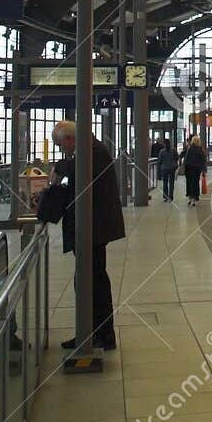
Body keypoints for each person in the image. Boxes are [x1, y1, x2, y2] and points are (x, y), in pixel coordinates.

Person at [52, 120, 126, 351]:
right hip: (93, 228)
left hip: (94, 228)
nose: (61, 150)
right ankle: (97, 333)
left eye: (60, 145)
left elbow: (78, 173)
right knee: (91, 280)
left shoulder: (93, 151)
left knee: (91, 281)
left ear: (70, 139)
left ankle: (95, 334)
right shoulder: (92, 149)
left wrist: (60, 167)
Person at [182, 133, 207, 206]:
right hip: (197, 169)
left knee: (189, 182)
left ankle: (190, 197)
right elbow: (203, 160)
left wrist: (184, 167)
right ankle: (195, 197)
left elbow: (186, 159)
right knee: (195, 182)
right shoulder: (200, 150)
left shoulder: (189, 148)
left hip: (189, 168)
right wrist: (204, 170)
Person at [156, 137, 178, 204]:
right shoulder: (173, 150)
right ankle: (171, 197)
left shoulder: (162, 151)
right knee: (171, 183)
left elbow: (159, 161)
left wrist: (159, 167)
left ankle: (165, 196)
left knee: (165, 183)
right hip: (172, 168)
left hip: (164, 168)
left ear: (164, 144)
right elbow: (177, 158)